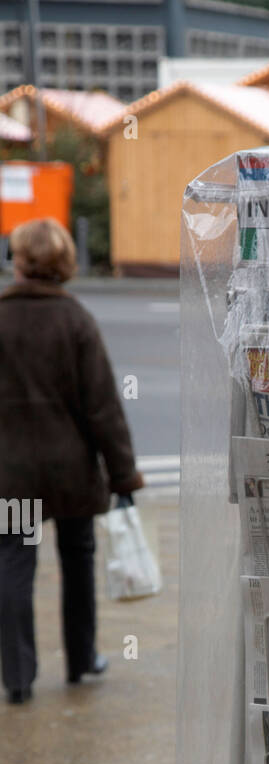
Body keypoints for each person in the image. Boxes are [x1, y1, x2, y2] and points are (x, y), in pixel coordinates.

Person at [0, 218, 144, 703]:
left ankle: (18, 677)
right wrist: (123, 474)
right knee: (77, 561)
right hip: (72, 474)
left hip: (12, 477)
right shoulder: (76, 321)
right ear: (64, 264)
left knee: (15, 566)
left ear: (18, 262)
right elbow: (103, 407)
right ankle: (81, 660)